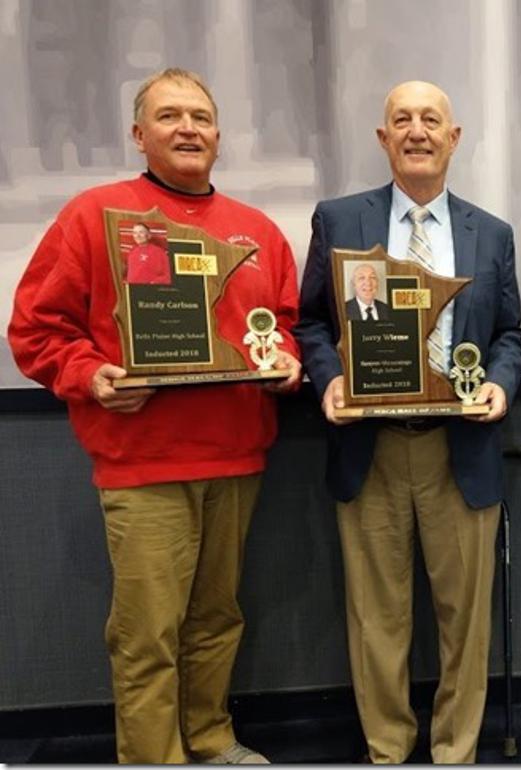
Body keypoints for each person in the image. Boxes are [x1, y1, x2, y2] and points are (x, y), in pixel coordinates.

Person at [7, 68, 302, 764]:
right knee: (146, 634)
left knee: (216, 619)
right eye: (169, 117)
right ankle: (151, 757)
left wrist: (286, 363)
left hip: (237, 458)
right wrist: (91, 375)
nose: (187, 129)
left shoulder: (257, 233)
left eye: (200, 117)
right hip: (143, 465)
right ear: (139, 135)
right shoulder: (92, 217)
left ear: (219, 137)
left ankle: (208, 736)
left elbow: (282, 325)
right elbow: (36, 330)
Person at [294, 80, 521, 764]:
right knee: (377, 619)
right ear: (382, 138)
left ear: (454, 138)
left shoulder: (494, 233)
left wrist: (503, 387)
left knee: (466, 623)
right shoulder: (338, 221)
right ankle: (388, 749)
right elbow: (310, 318)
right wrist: (329, 377)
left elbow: (511, 333)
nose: (417, 130)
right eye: (403, 119)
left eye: (432, 119)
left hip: (465, 446)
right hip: (372, 447)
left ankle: (457, 750)